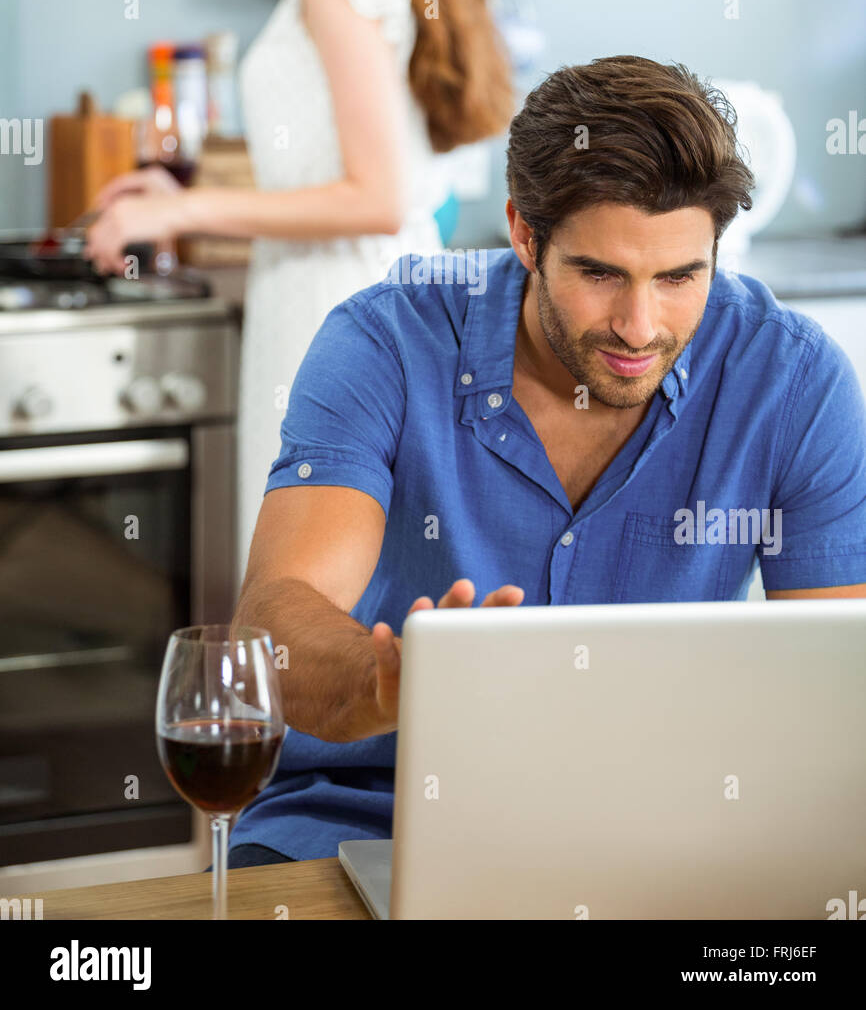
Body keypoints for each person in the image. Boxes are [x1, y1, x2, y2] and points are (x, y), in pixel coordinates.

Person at [225, 54, 866, 867]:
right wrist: (388, 683)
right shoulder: (385, 342)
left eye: (680, 277)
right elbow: (275, 621)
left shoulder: (793, 382)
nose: (640, 325)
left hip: (669, 836)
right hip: (366, 818)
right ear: (525, 233)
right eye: (600, 274)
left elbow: (838, 688)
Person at [84, 0, 514, 566]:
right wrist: (183, 197)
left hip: (330, 319)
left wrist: (180, 215)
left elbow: (374, 194)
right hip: (368, 306)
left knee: (302, 604)